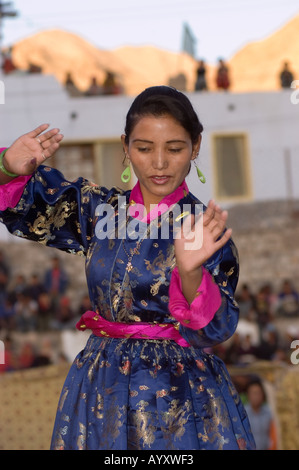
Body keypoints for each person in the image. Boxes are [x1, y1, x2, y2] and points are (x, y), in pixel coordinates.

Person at [0, 86, 255, 450]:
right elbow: (24, 204)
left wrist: (190, 272)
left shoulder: (205, 231)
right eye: (144, 147)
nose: (160, 163)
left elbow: (215, 330)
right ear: (125, 145)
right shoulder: (96, 209)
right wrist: (7, 168)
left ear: (196, 146)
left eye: (175, 148)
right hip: (102, 386)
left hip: (180, 397)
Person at [245, 380, 277, 450]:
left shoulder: (269, 412)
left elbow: (273, 434)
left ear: (262, 395)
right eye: (253, 393)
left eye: (258, 393)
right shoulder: (243, 413)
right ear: (248, 395)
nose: (256, 396)